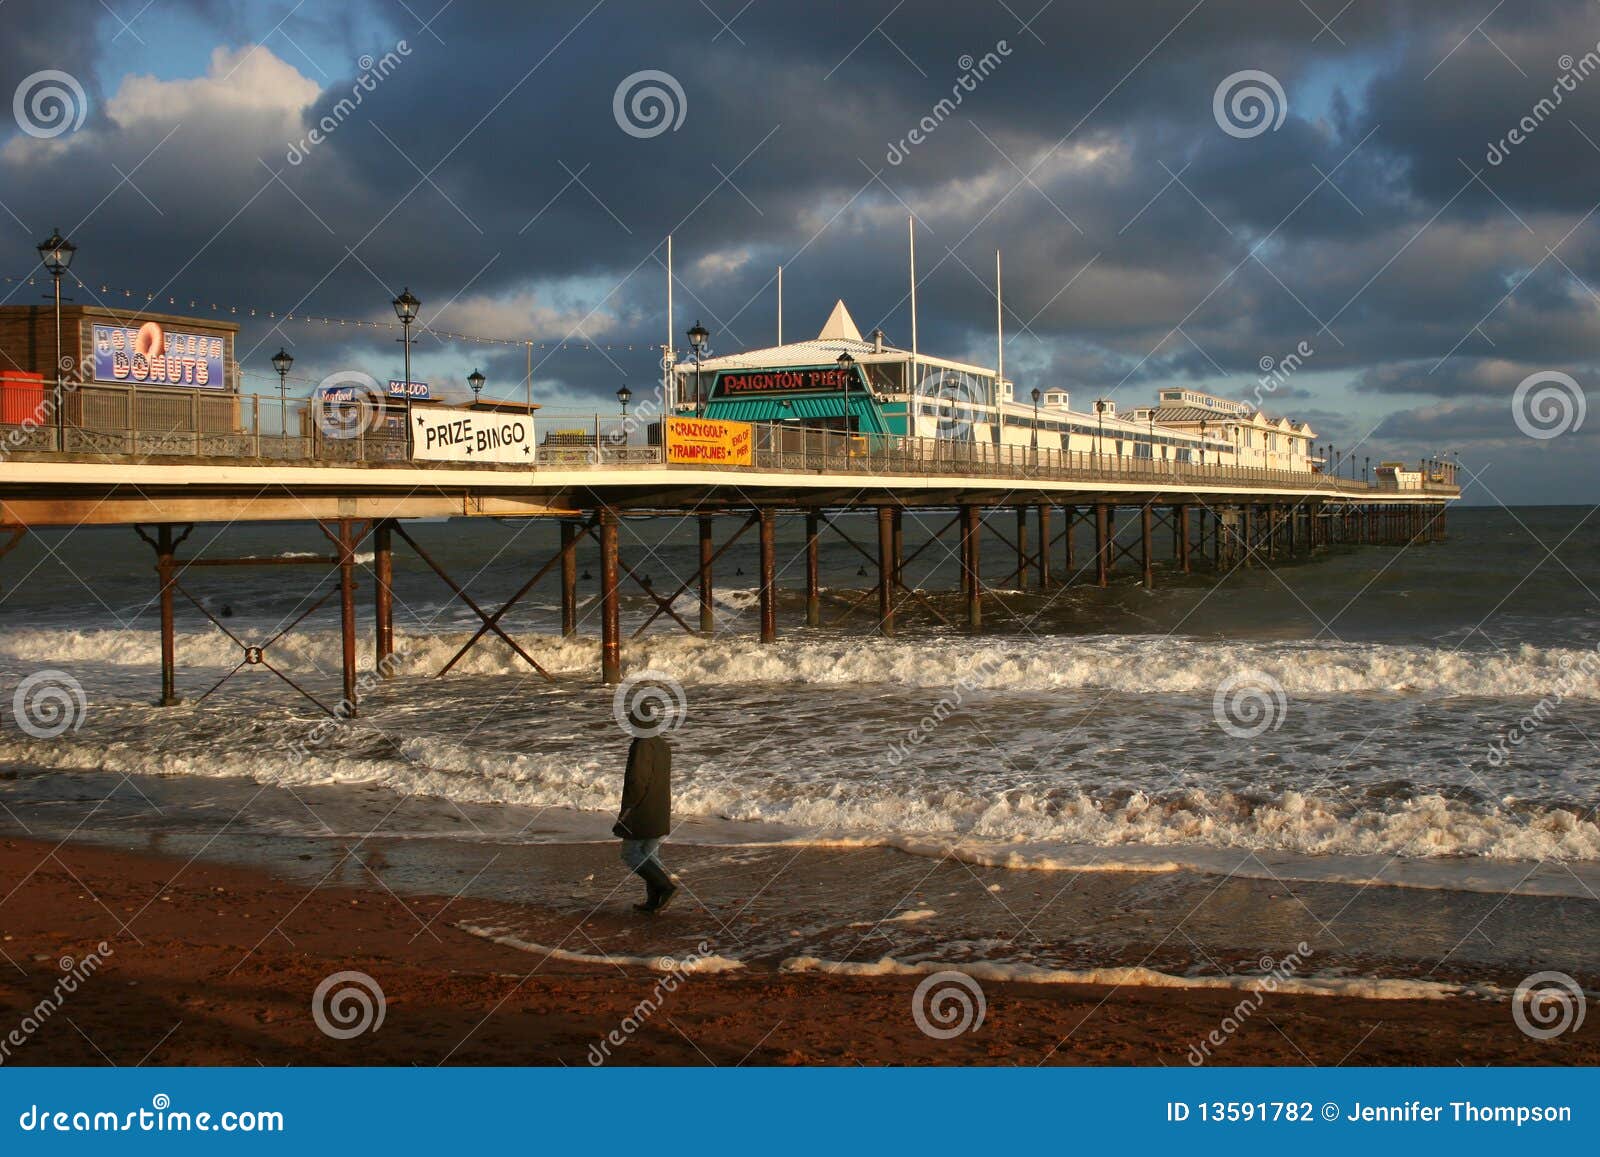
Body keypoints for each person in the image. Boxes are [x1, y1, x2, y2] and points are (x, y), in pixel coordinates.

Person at [613, 706, 677, 914]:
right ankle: (654, 900)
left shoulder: (641, 745)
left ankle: (666, 888)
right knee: (650, 854)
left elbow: (637, 781)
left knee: (630, 853)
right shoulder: (662, 745)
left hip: (642, 810)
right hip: (659, 808)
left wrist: (627, 811)